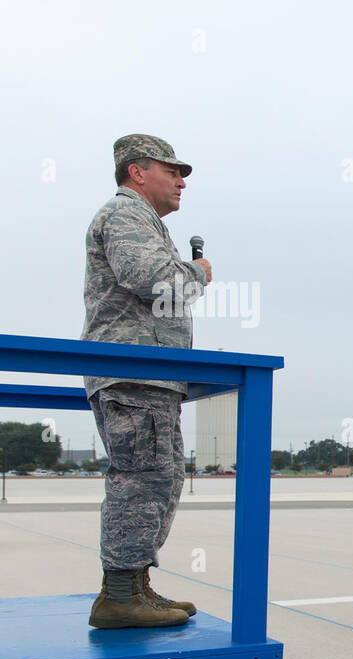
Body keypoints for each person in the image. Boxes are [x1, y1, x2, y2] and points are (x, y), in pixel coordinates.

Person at [83, 134, 212, 629]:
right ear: (138, 172)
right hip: (134, 371)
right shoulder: (125, 215)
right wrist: (196, 272)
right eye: (172, 171)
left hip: (151, 375)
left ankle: (134, 586)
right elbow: (155, 280)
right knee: (140, 481)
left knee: (159, 478)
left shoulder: (145, 221)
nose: (181, 182)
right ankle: (119, 594)